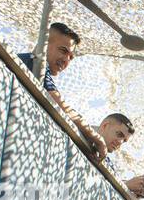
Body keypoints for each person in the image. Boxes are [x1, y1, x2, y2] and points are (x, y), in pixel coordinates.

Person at [15, 22, 107, 157]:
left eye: (71, 57)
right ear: (44, 43)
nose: (66, 60)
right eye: (63, 51)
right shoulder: (35, 63)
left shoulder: (33, 66)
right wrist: (97, 138)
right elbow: (62, 107)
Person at [96, 113, 144, 199]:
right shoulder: (80, 135)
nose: (120, 142)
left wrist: (139, 191)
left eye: (124, 141)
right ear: (105, 126)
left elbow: (108, 185)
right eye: (119, 134)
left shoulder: (108, 163)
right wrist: (126, 185)